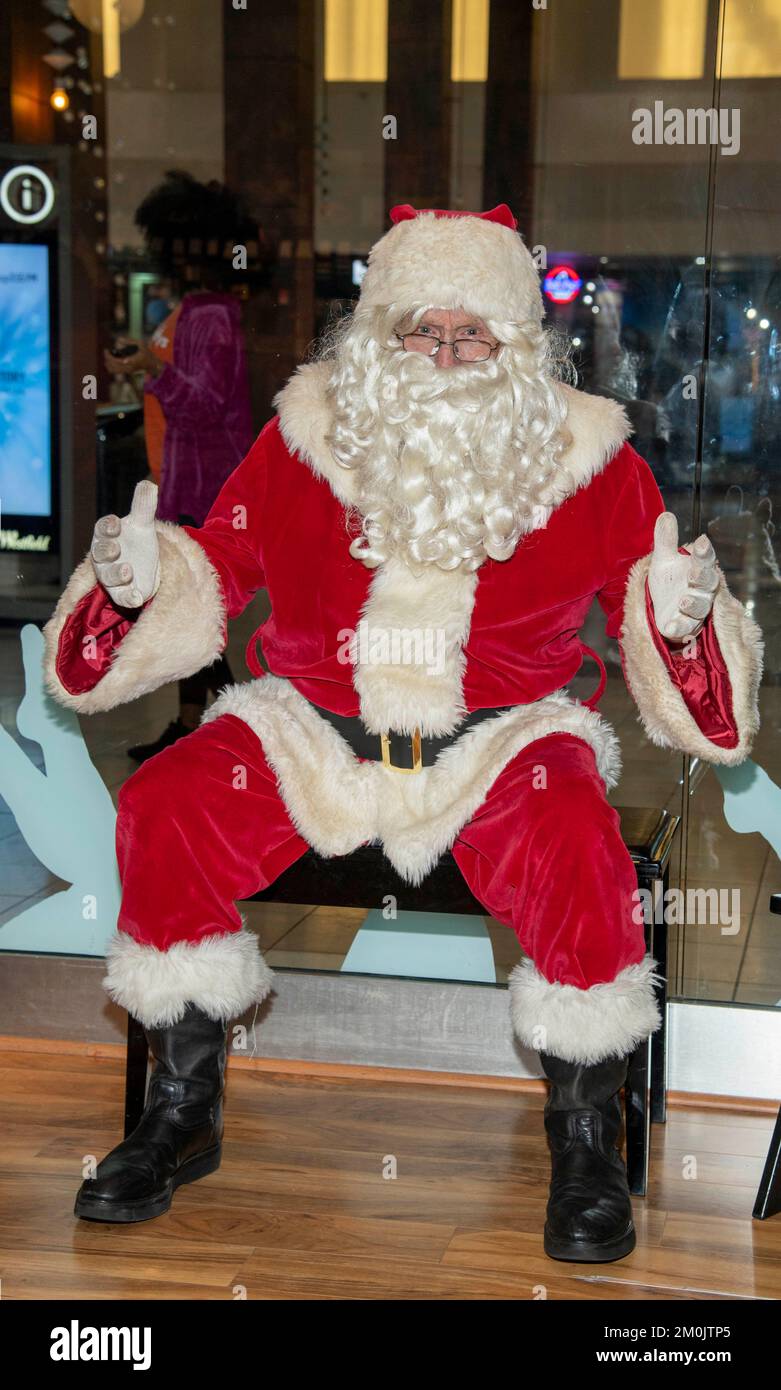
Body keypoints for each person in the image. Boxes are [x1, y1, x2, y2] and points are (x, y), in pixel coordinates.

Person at [43, 205, 762, 1262]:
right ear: (378, 336)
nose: (444, 353)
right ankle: (182, 1108)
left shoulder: (591, 458)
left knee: (573, 835)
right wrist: (148, 580)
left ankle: (583, 1136)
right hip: (309, 730)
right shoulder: (307, 433)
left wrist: (681, 617)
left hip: (500, 741)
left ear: (516, 345)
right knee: (167, 802)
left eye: (471, 334)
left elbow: (646, 610)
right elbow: (219, 564)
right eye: (420, 330)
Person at [103, 170, 256, 760]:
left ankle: (213, 726)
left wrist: (149, 365)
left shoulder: (209, 317)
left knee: (193, 612)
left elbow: (203, 406)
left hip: (201, 488)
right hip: (185, 483)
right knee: (193, 612)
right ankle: (206, 726)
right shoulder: (197, 310)